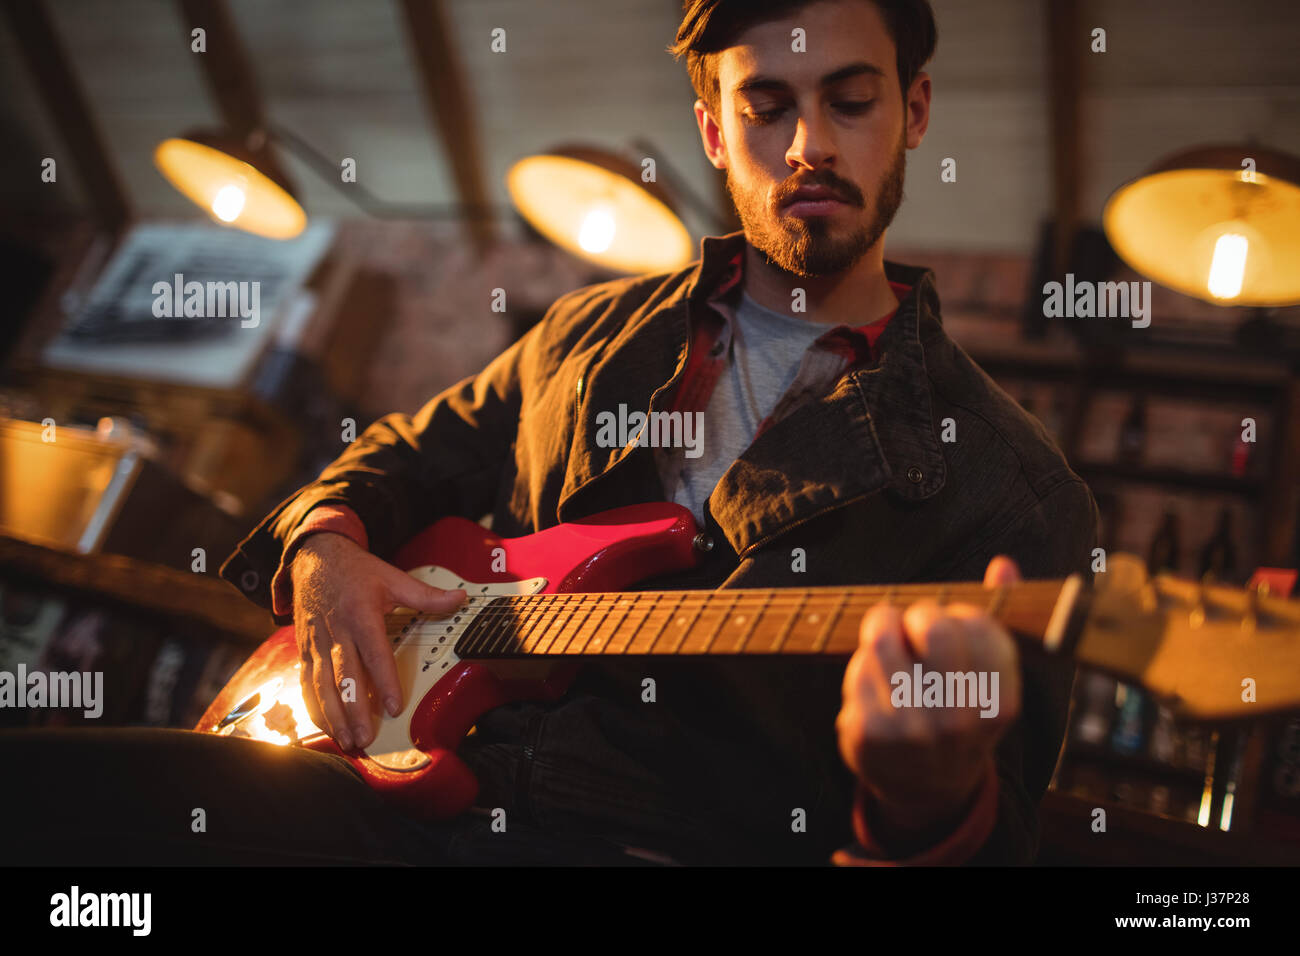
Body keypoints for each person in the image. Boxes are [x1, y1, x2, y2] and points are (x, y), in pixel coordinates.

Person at [3, 0, 1096, 866]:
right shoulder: (585, 328)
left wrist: (926, 797)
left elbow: (993, 845)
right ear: (714, 130)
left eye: (849, 101)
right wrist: (327, 544)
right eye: (766, 105)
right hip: (376, 789)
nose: (808, 143)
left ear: (913, 111)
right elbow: (405, 450)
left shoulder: (1018, 496)